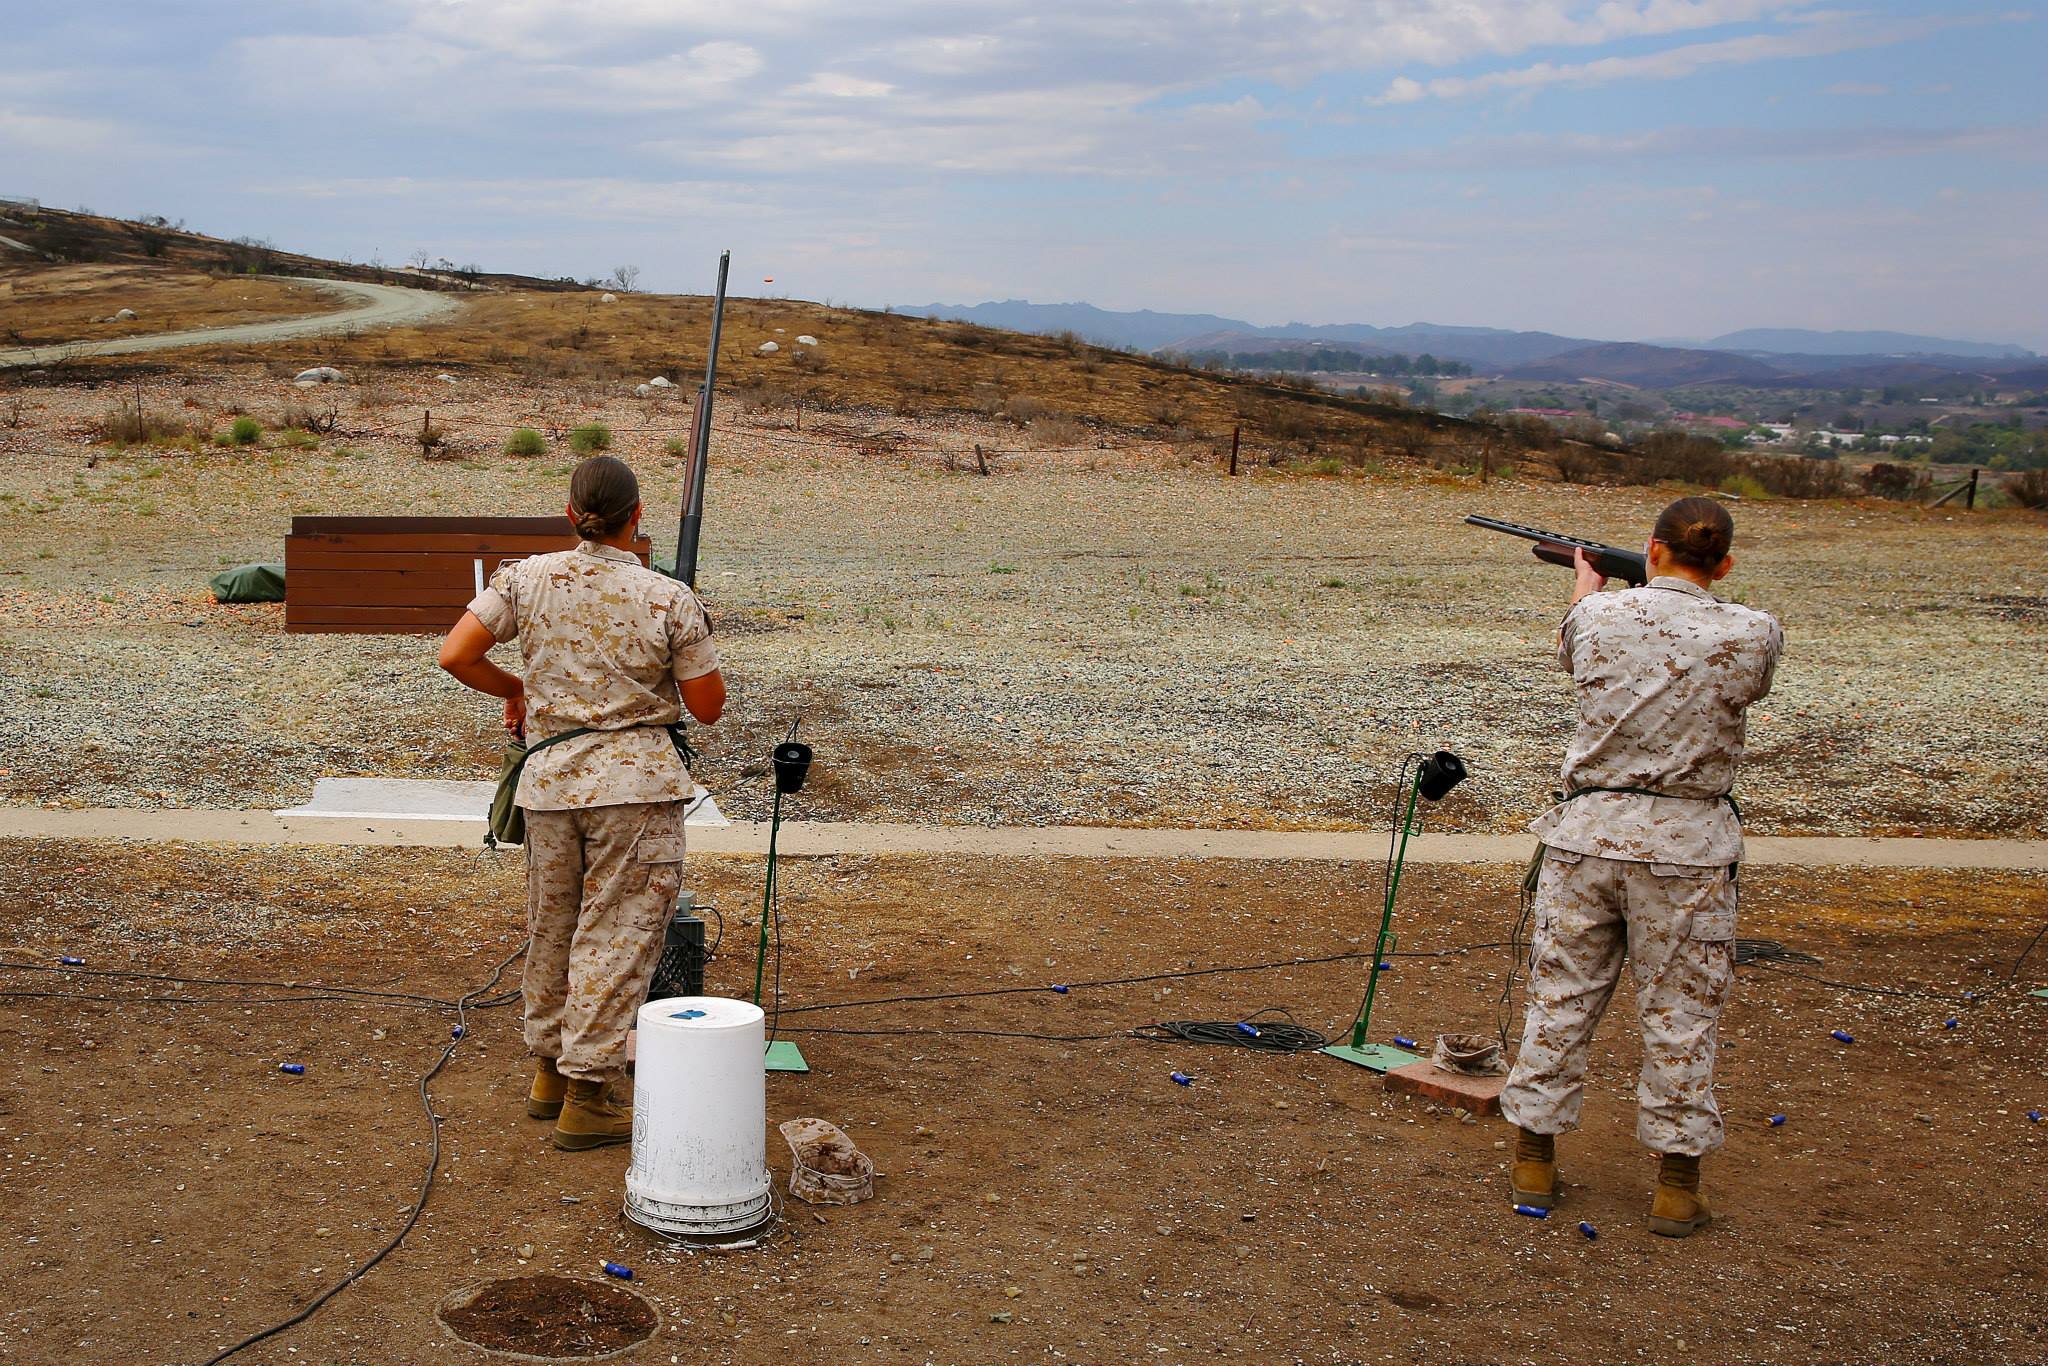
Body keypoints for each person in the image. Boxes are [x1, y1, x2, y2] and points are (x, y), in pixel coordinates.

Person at [1498, 496, 1783, 1237]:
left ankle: (1534, 1158)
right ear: (1723, 563)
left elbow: (1574, 654)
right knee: (1683, 1017)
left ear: (1651, 549)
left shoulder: (1594, 618)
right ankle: (1676, 1186)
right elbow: (1739, 684)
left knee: (1560, 999)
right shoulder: (1754, 631)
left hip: (1588, 836)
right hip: (1689, 850)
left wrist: (1587, 589)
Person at [437, 455, 726, 1151]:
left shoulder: (525, 578)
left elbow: (456, 654)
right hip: (636, 790)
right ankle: (589, 1095)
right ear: (637, 515)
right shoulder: (667, 596)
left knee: (554, 928)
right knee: (618, 934)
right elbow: (708, 707)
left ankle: (549, 1074)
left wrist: (518, 690)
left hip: (550, 784)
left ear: (571, 514)